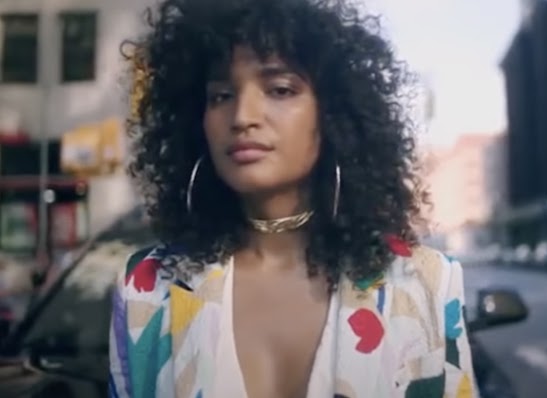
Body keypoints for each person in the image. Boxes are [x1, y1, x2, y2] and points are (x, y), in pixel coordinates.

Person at [109, 0, 478, 397]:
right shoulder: (146, 288)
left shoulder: (423, 284)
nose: (242, 116)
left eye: (280, 89)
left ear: (333, 114)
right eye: (220, 96)